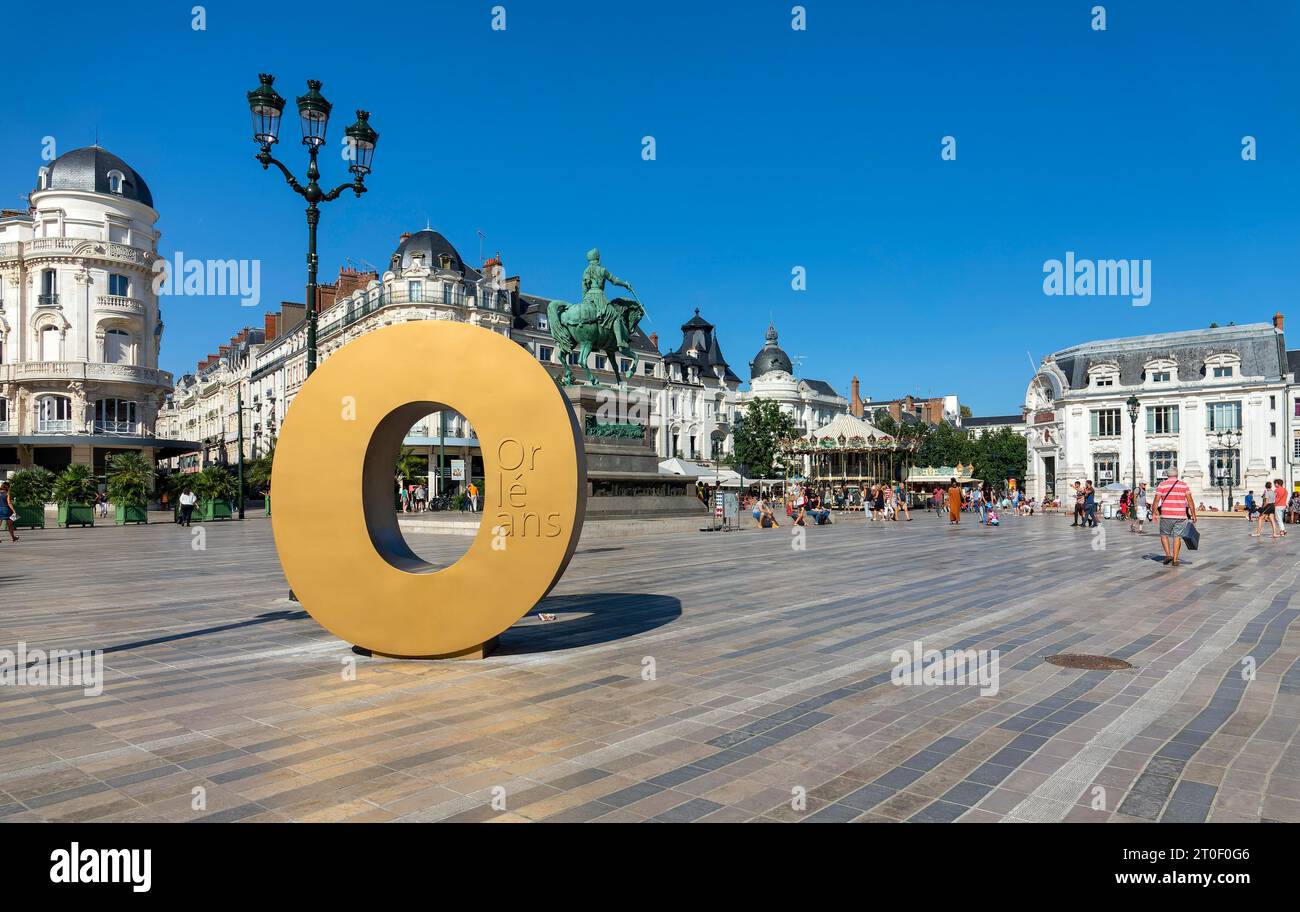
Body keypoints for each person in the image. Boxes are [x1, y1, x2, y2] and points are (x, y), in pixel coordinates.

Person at [1153, 466, 1195, 566]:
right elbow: (1190, 500)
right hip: (1180, 516)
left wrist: (1154, 512)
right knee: (1177, 537)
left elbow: (1156, 500)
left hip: (1166, 515)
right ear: (1177, 474)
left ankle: (1168, 555)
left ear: (1167, 474)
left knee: (1164, 535)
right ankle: (1175, 559)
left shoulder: (1162, 485)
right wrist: (1194, 514)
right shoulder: (1184, 485)